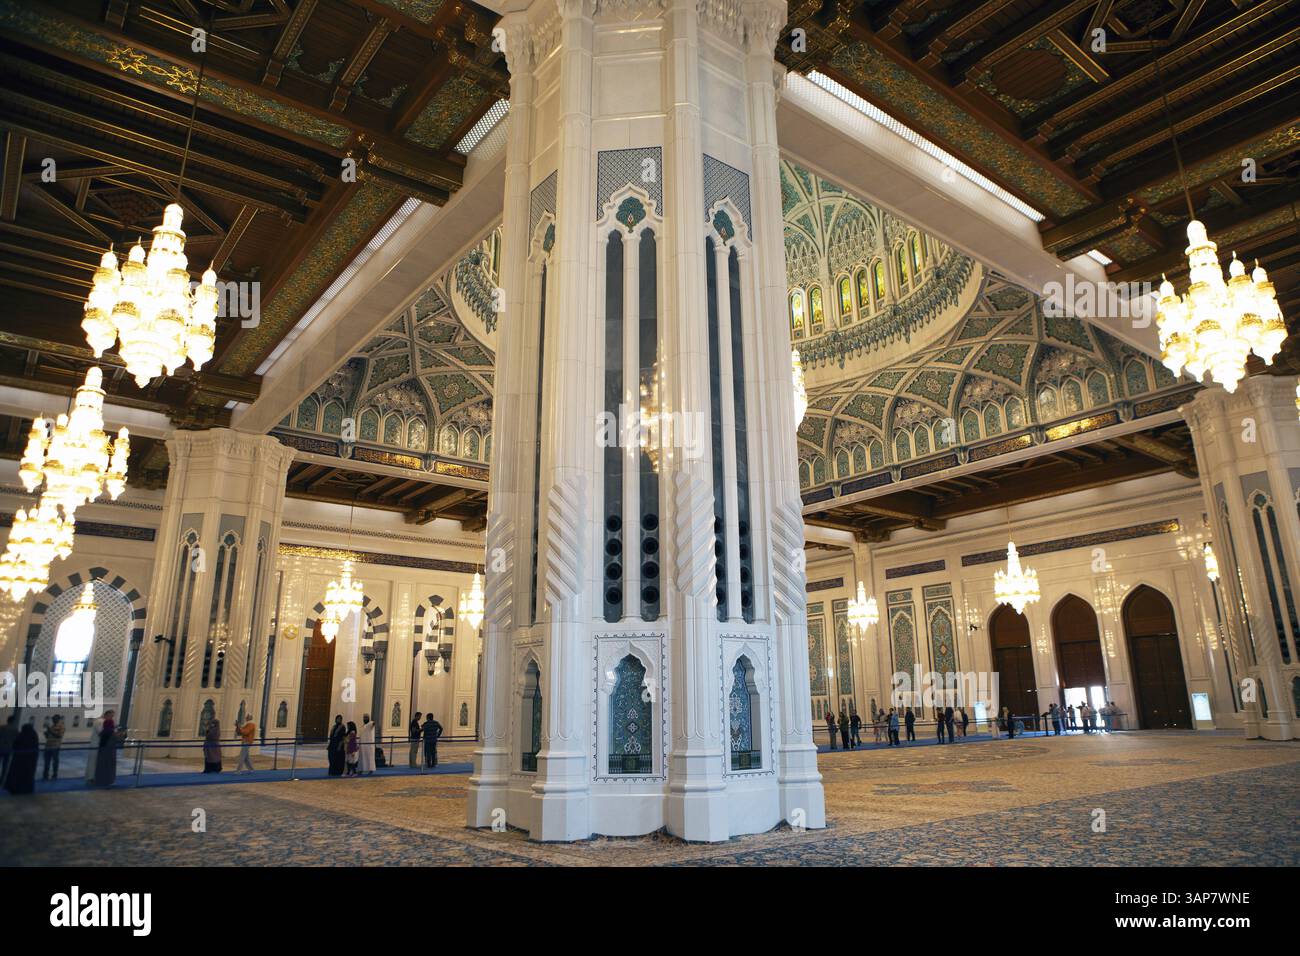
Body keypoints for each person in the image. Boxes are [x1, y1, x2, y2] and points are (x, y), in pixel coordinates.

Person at [3, 719, 38, 795]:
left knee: (16, 774)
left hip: (19, 760)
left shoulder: (21, 735)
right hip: (29, 762)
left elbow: (15, 745)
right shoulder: (33, 736)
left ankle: (14, 788)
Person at [94, 711, 120, 787]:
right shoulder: (111, 733)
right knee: (107, 765)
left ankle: (100, 779)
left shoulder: (105, 732)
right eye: (111, 716)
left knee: (102, 764)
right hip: (108, 751)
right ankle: (107, 780)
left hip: (103, 749)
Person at [42, 714, 65, 781]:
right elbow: (47, 736)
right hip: (48, 746)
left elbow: (59, 735)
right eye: (53, 719)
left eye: (54, 719)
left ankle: (54, 774)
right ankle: (45, 775)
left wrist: (50, 731)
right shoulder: (51, 726)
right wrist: (45, 732)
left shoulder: (61, 726)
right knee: (47, 761)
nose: (53, 720)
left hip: (55, 746)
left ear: (58, 719)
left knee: (55, 761)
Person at [0, 714, 17, 785]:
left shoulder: (1, 728)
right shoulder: (15, 729)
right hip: (9, 749)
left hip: (0, 747)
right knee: (5, 766)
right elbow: (16, 739)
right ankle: (2, 780)